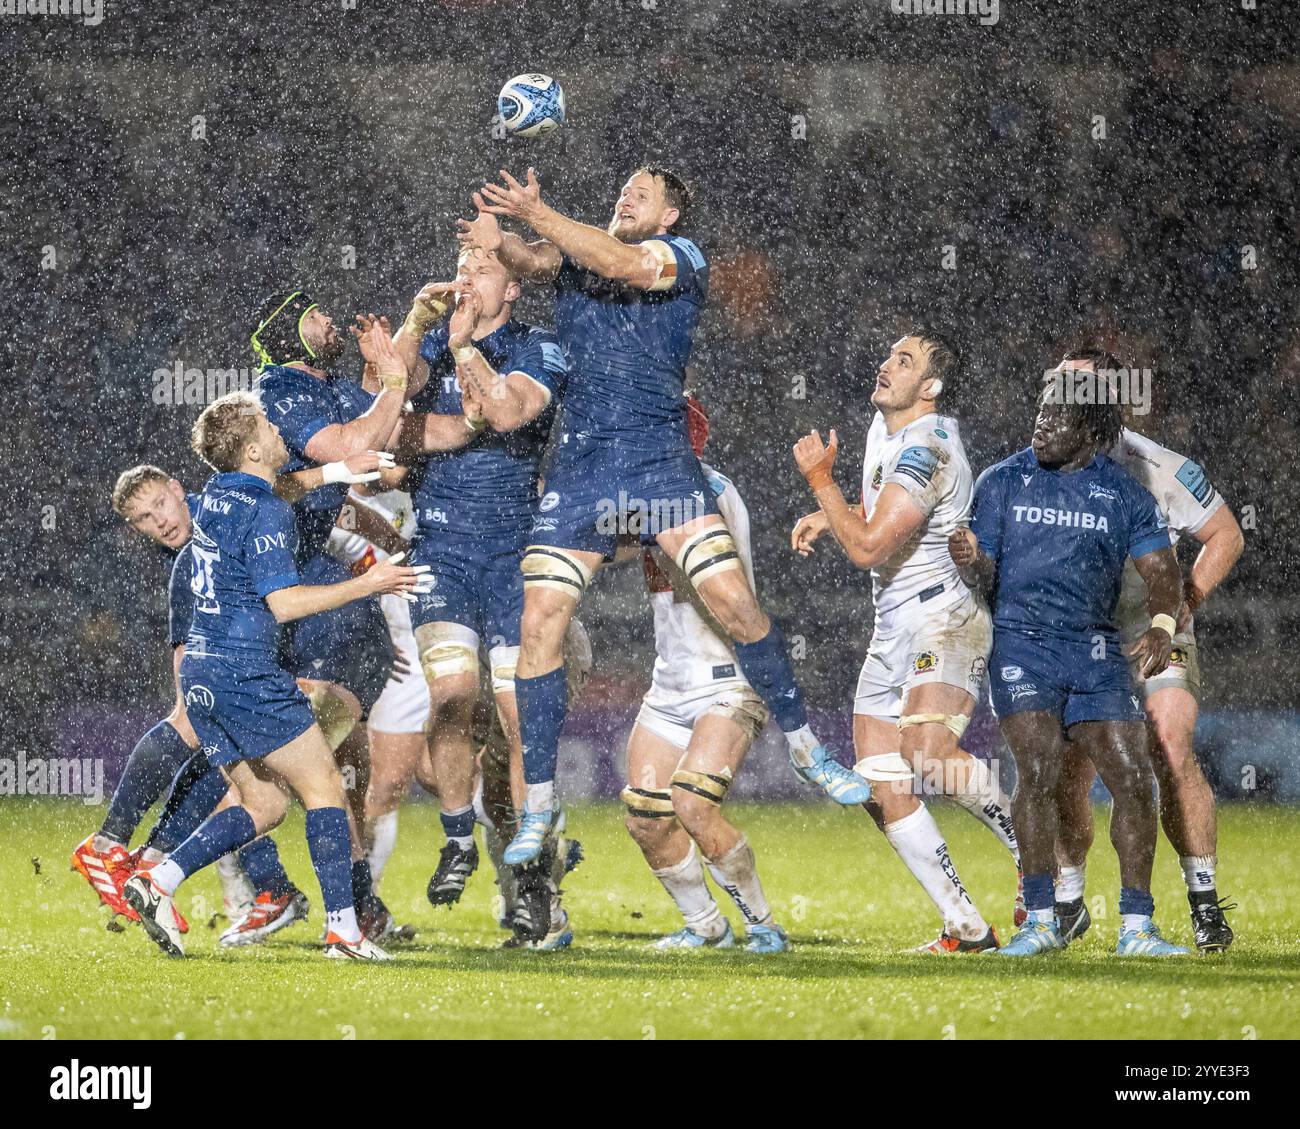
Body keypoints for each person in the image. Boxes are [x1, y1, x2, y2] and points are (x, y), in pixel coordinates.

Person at [459, 165, 861, 866]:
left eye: (642, 193)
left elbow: (618, 261)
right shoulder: (575, 254)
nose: (625, 195)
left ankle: (805, 746)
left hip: (659, 463)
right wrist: (499, 241)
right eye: (622, 188)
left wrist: (538, 210)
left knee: (733, 601)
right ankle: (541, 803)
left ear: (671, 216)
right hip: (585, 469)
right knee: (539, 620)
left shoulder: (683, 258)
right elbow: (537, 258)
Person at [124, 392, 430, 960]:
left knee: (263, 805)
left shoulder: (215, 496)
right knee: (326, 792)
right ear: (253, 447)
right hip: (247, 673)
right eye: (267, 423)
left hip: (203, 673)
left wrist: (336, 470)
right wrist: (371, 583)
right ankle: (345, 930)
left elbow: (278, 488)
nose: (276, 426)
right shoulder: (263, 512)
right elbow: (285, 604)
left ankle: (156, 879)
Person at [949, 378, 1188, 957]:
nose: (1042, 424)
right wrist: (972, 559)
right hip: (1023, 647)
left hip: (1097, 650)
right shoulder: (1001, 480)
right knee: (1038, 771)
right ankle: (1040, 920)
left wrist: (1161, 626)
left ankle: (1136, 928)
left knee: (1134, 780)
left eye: (1058, 417)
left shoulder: (1124, 494)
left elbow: (1163, 573)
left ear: (1091, 431)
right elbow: (982, 578)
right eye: (1039, 411)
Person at [791, 332, 1011, 952]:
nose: (887, 365)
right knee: (880, 780)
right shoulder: (881, 430)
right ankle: (966, 926)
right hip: (893, 624)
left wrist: (819, 485)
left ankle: (1039, 861)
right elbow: (871, 521)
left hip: (942, 616)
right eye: (889, 354)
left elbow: (869, 547)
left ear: (931, 388)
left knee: (928, 752)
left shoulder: (928, 444)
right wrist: (829, 515)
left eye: (905, 361)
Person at [1047, 349, 1244, 952]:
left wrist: (1183, 604)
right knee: (1068, 769)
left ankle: (1204, 904)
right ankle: (1068, 901)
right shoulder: (1043, 463)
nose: (1064, 395)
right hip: (1084, 638)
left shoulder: (1158, 466)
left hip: (1155, 632)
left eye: (1079, 386)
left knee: (1170, 747)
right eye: (1060, 383)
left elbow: (1225, 534)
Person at [392, 247, 568, 906]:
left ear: (514, 288)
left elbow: (505, 412)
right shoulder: (435, 342)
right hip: (442, 551)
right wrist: (416, 325)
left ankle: (531, 873)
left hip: (517, 555)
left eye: (484, 270)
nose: (468, 279)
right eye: (461, 267)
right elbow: (387, 397)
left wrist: (465, 350)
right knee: (451, 696)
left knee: (521, 717)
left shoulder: (538, 348)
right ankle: (458, 838)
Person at [626, 396, 788, 953]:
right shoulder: (644, 494)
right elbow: (612, 545)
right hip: (669, 682)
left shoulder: (709, 492)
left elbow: (685, 565)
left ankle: (762, 924)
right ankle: (705, 926)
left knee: (693, 805)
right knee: (646, 816)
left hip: (728, 678)